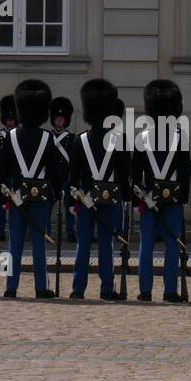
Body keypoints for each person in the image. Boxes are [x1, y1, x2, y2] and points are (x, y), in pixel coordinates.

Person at [0, 79, 63, 299]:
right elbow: (55, 172)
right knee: (39, 244)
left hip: (16, 196)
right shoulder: (47, 138)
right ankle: (40, 287)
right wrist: (53, 195)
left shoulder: (10, 136)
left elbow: (3, 168)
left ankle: (9, 286)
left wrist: (8, 191)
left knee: (12, 244)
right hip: (40, 198)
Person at [68, 78, 129, 301]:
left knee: (83, 245)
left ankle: (78, 289)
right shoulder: (118, 140)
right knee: (106, 246)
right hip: (110, 199)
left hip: (85, 201)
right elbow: (123, 176)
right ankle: (106, 288)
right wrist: (123, 196)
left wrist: (75, 200)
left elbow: (72, 179)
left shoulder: (79, 140)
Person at [132, 79, 189, 303]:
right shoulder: (180, 137)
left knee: (146, 245)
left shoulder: (141, 138)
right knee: (172, 244)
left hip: (148, 199)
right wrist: (183, 199)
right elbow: (184, 175)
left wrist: (138, 200)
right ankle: (169, 290)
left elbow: (136, 176)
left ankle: (145, 291)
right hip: (173, 200)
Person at [50, 95, 77, 244]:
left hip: (65, 176)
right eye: (57, 118)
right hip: (52, 177)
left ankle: (70, 232)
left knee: (69, 208)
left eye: (62, 119)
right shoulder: (48, 137)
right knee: (47, 207)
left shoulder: (71, 138)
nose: (59, 121)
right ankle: (46, 232)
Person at [0, 94, 18, 241]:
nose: (10, 122)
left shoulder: (18, 134)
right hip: (2, 174)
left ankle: (16, 230)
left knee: (16, 204)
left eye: (12, 119)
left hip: (15, 173)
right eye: (8, 120)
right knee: (2, 204)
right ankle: (1, 230)